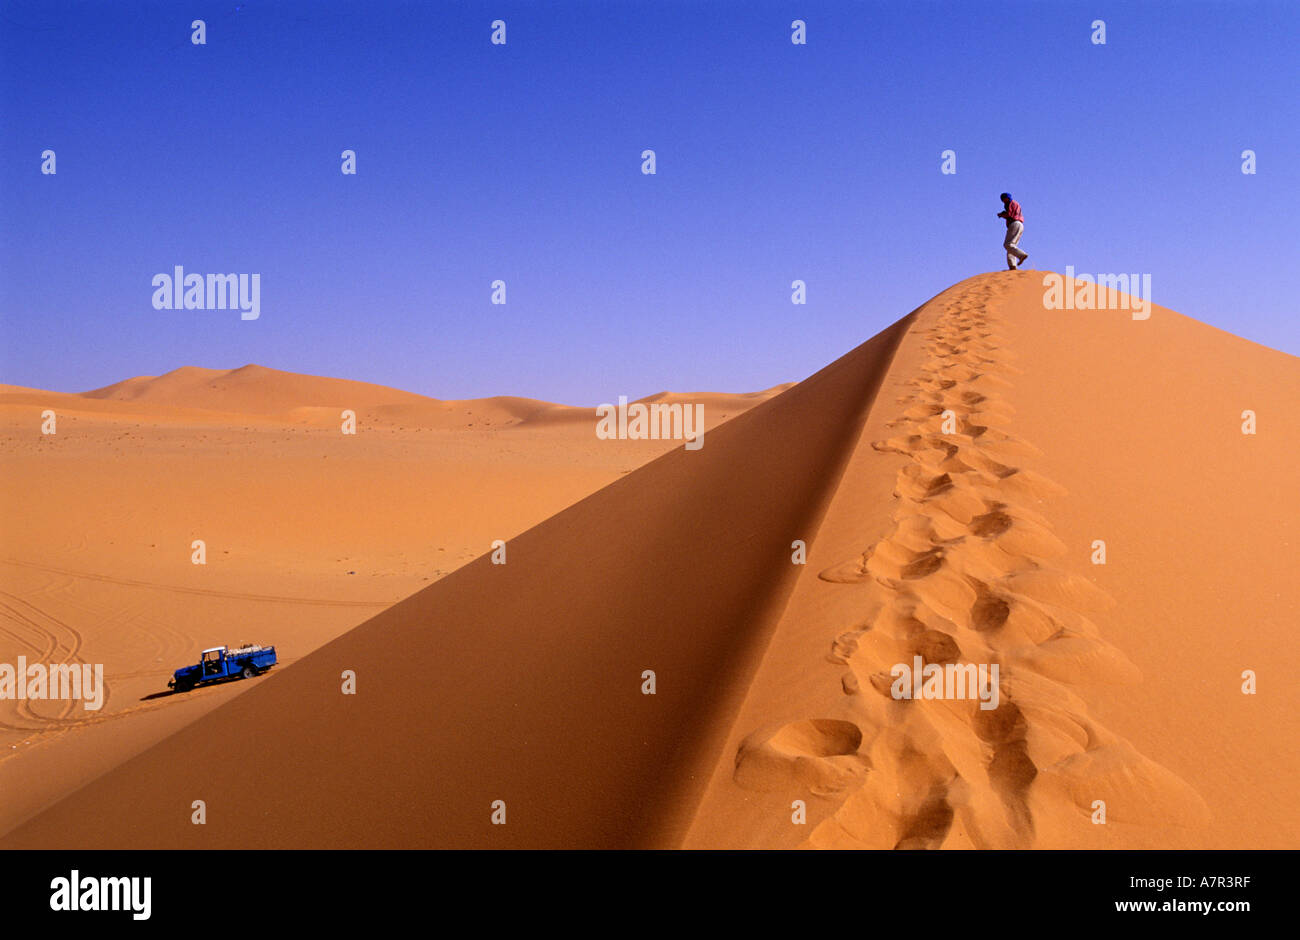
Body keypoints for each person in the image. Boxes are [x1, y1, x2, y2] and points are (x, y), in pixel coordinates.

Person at [997, 193, 1029, 270]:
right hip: (1019, 224)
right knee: (1011, 246)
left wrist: (1002, 215)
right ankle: (1012, 266)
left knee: (1008, 245)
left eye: (1003, 199)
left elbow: (1010, 215)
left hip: (1015, 224)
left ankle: (1021, 255)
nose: (1003, 201)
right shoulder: (1013, 203)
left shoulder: (1011, 203)